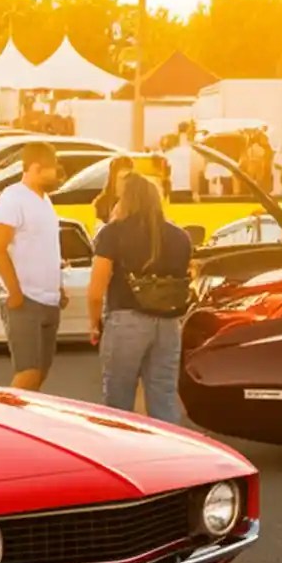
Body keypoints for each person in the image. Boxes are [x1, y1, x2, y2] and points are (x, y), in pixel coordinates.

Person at [87, 174, 192, 423]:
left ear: (127, 199)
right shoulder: (180, 236)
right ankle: (166, 454)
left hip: (127, 319)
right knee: (163, 396)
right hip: (168, 324)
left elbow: (95, 290)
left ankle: (123, 457)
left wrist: (94, 323)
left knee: (118, 400)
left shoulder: (113, 233)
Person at [0, 142, 66, 392]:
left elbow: (48, 248)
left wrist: (59, 287)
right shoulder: (13, 198)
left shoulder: (46, 201)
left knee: (40, 374)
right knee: (27, 373)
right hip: (26, 301)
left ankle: (22, 422)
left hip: (49, 300)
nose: (57, 175)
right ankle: (1, 421)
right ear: (35, 168)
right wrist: (14, 293)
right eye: (52, 169)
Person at [93, 155, 135, 225]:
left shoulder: (139, 201)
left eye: (129, 176)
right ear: (113, 177)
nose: (125, 181)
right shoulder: (102, 203)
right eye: (121, 177)